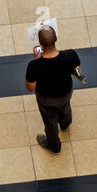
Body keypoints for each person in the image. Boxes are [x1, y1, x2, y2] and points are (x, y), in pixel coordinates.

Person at [25, 25, 83, 154]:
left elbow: (30, 87)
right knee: (65, 107)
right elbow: (77, 67)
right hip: (66, 92)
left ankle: (54, 145)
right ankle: (65, 124)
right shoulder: (70, 55)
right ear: (56, 38)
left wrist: (38, 60)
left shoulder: (34, 65)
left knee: (50, 121)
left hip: (46, 99)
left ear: (40, 44)